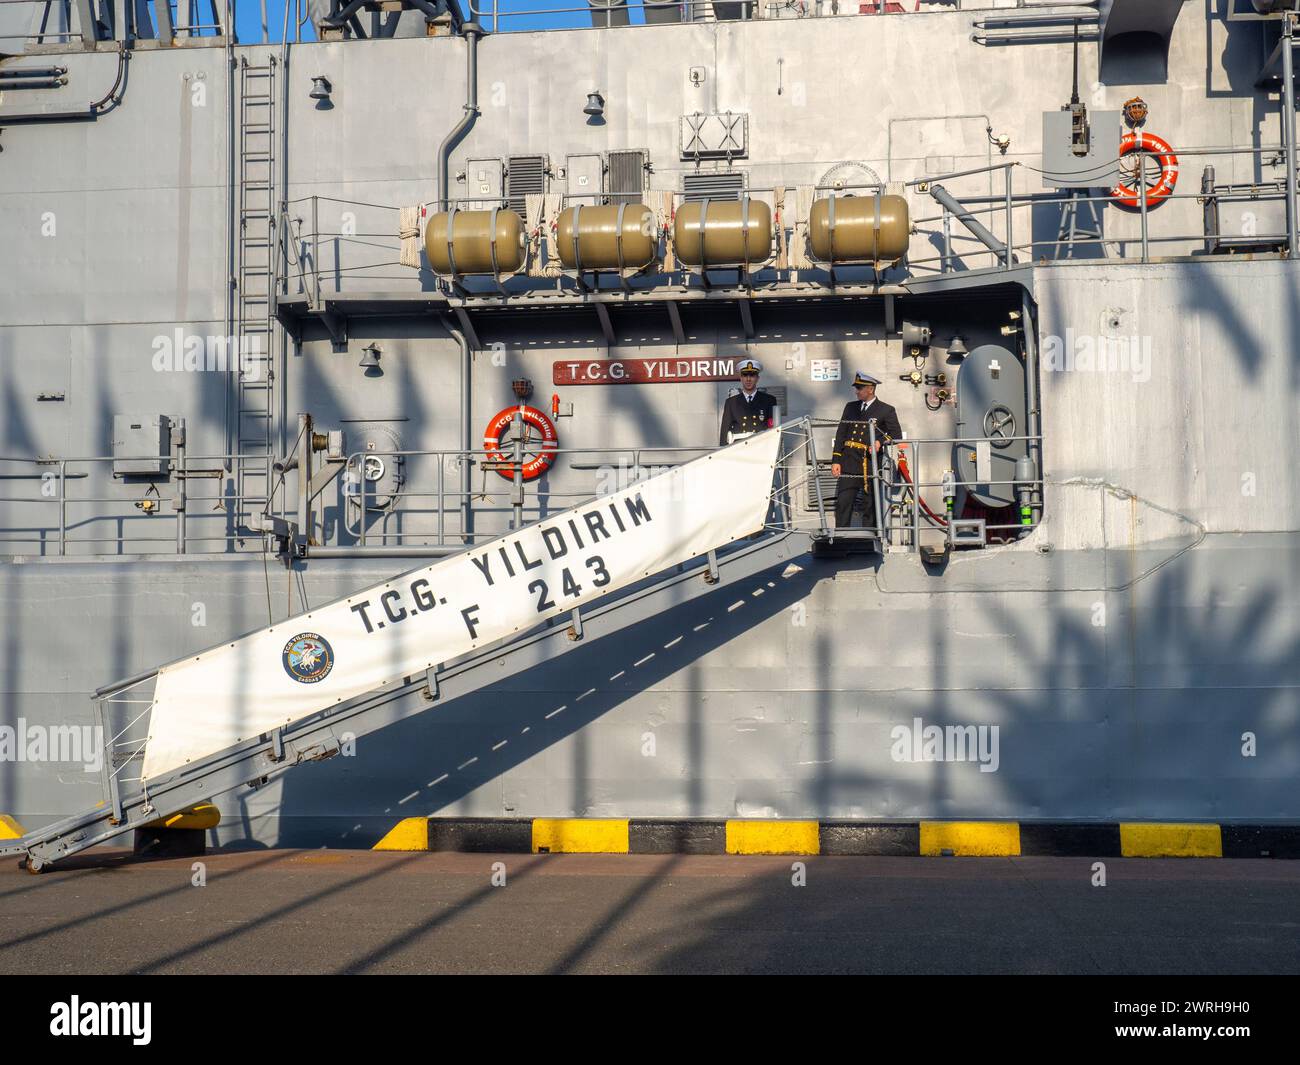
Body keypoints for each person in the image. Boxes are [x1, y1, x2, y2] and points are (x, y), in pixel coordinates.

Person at [831, 371, 903, 530]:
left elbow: (896, 435)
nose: (856, 391)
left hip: (870, 462)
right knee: (844, 501)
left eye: (860, 388)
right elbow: (841, 433)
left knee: (870, 502)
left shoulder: (886, 410)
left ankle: (870, 535)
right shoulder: (850, 407)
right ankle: (841, 535)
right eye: (856, 388)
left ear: (870, 389)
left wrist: (880, 441)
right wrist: (836, 460)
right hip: (849, 460)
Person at [719, 357, 778, 446]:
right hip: (738, 448)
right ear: (741, 378)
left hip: (762, 447)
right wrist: (722, 452)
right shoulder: (731, 403)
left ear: (757, 378)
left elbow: (774, 429)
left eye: (752, 375)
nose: (748, 379)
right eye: (745, 375)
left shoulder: (769, 401)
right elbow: (724, 430)